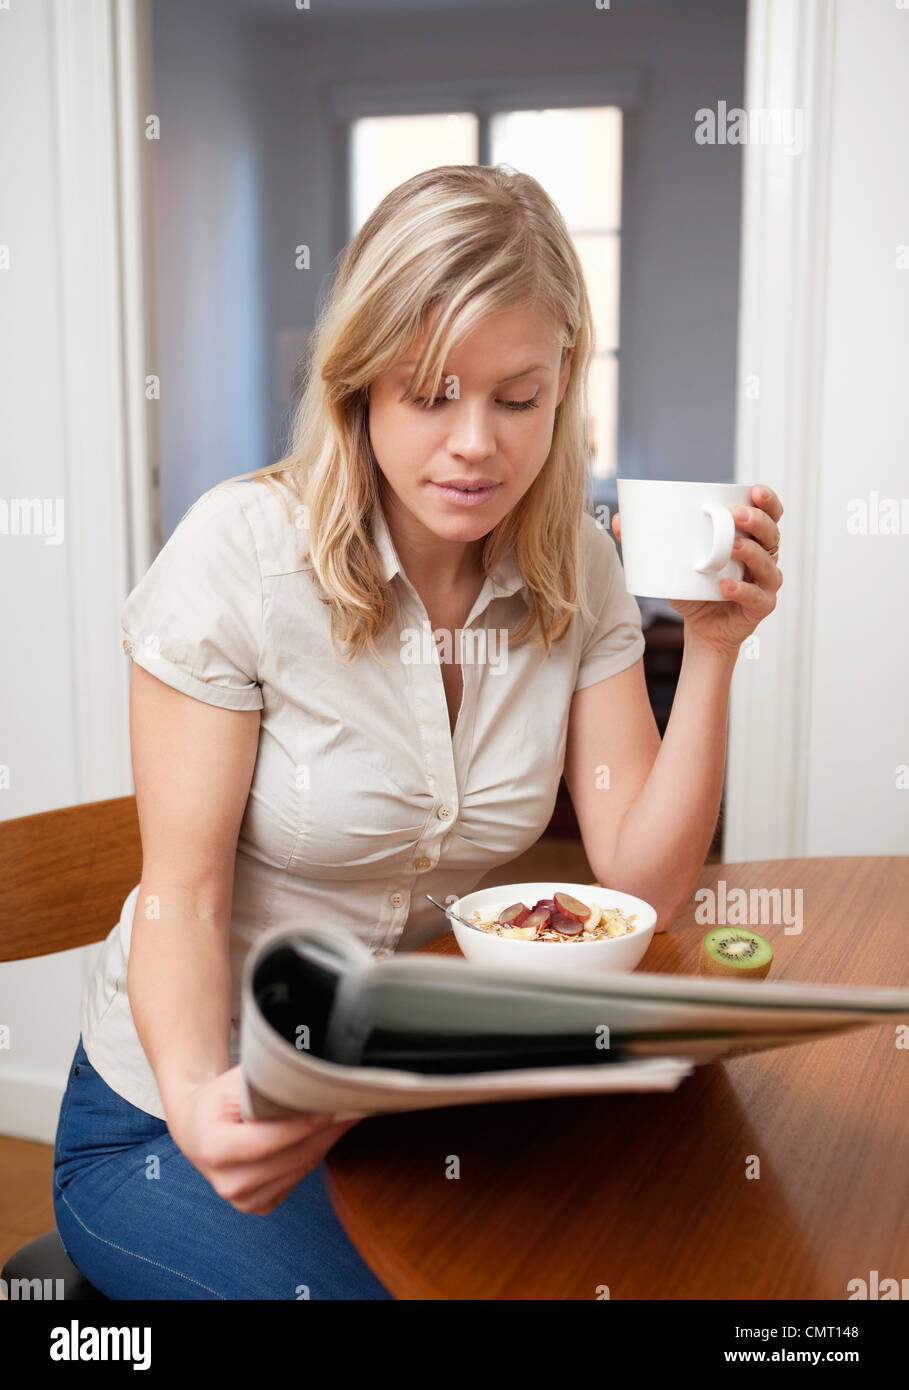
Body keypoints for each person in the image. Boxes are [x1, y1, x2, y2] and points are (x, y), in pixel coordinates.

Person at [52, 163, 784, 1300]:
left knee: (664, 1239)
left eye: (518, 397)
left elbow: (639, 875)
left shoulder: (580, 568)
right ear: (360, 385)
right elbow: (181, 899)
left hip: (397, 1093)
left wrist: (715, 652)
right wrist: (201, 1098)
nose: (477, 445)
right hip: (180, 1119)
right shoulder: (240, 557)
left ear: (564, 388)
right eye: (430, 393)